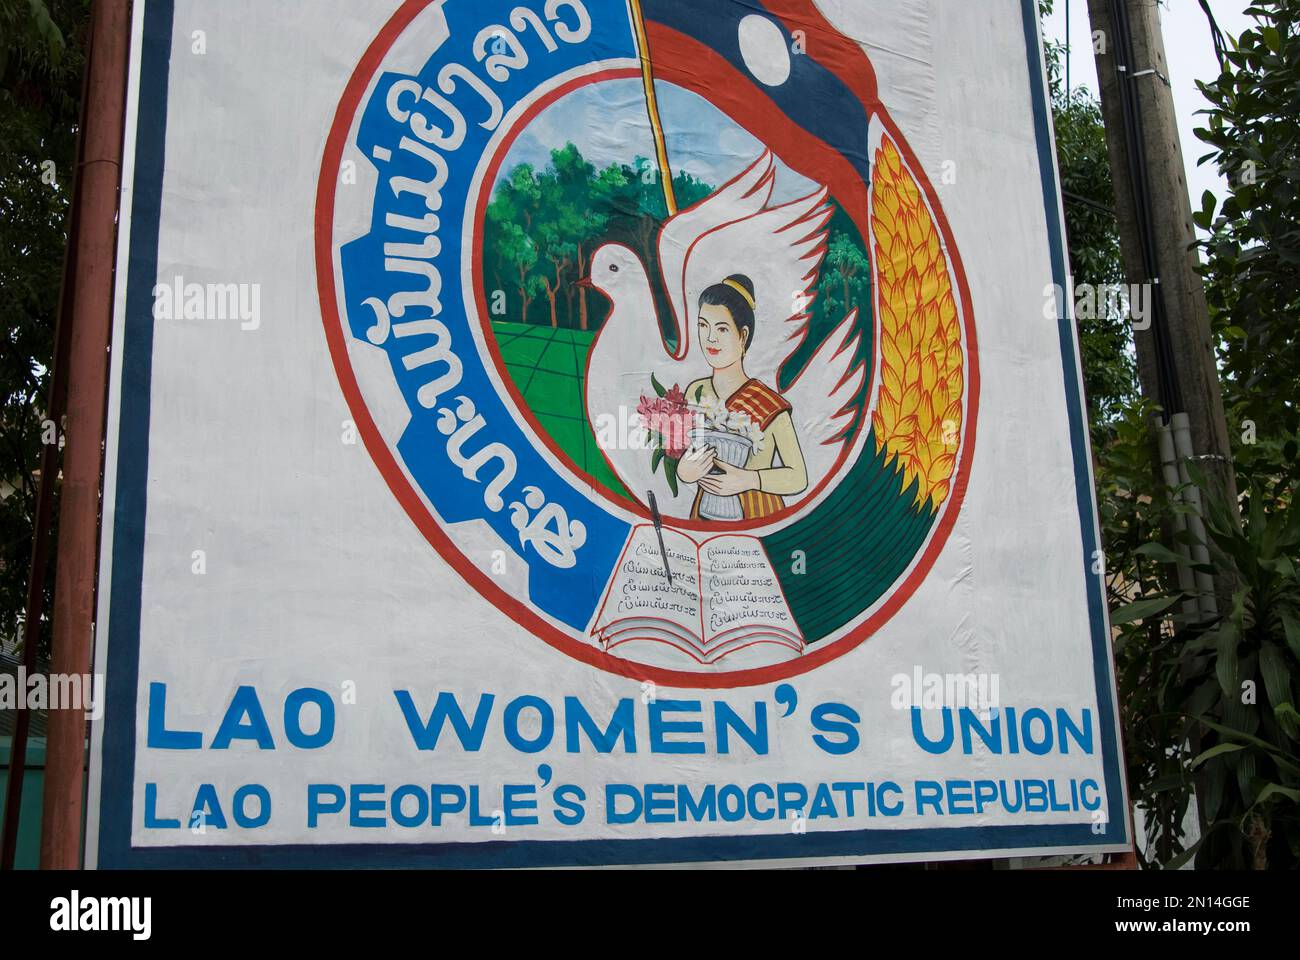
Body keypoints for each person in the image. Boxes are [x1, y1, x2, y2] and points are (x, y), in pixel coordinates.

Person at [675, 274, 808, 520]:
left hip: (757, 513)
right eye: (703, 326)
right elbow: (688, 451)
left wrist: (748, 479)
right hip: (705, 510)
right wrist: (684, 470)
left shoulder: (770, 404)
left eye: (722, 328)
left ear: (743, 336)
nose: (710, 338)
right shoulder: (696, 391)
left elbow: (798, 477)